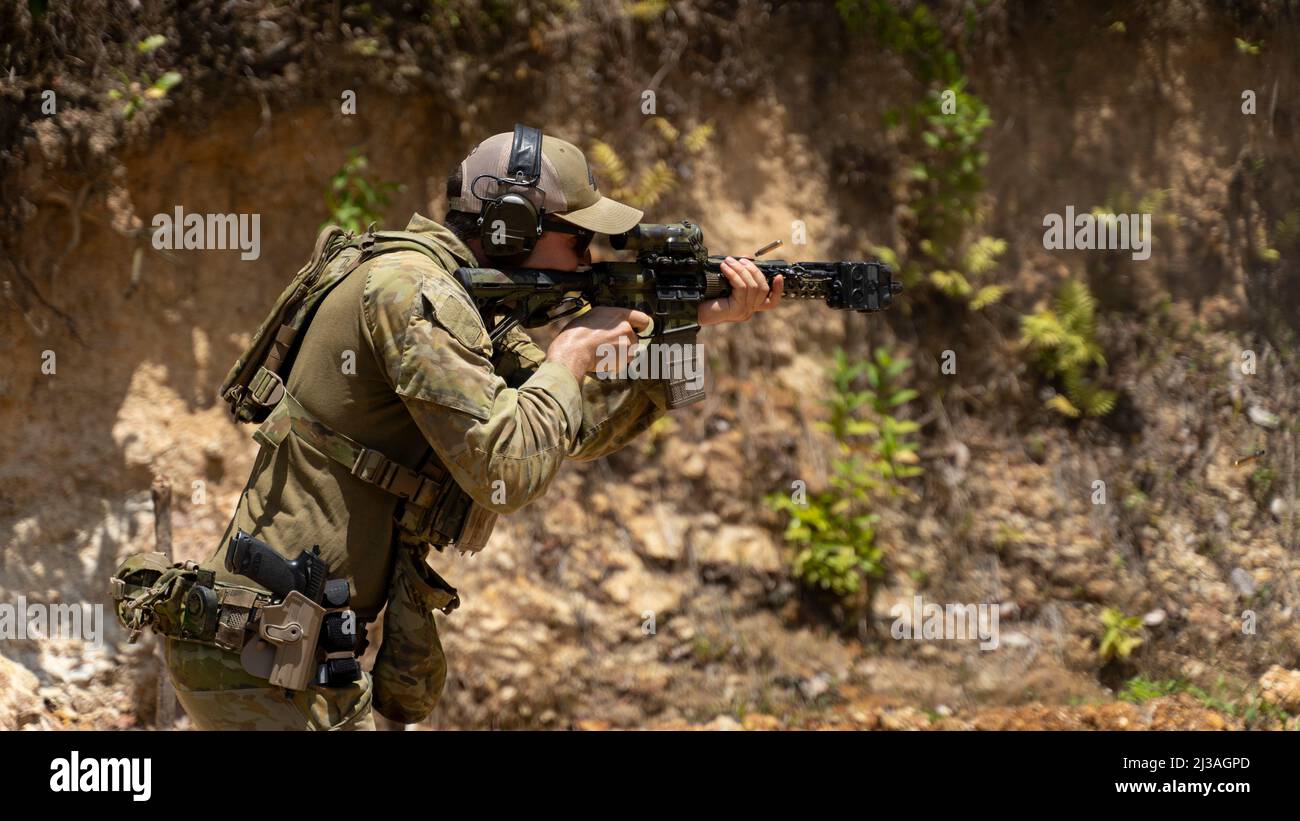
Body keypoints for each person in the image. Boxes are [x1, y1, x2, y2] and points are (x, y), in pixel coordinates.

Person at [163, 125, 784, 729]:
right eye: (577, 240)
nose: (588, 259)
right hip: (263, 650)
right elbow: (504, 473)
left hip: (279, 649)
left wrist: (689, 325)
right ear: (511, 228)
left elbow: (576, 431)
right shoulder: (415, 293)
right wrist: (570, 357)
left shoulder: (458, 300)